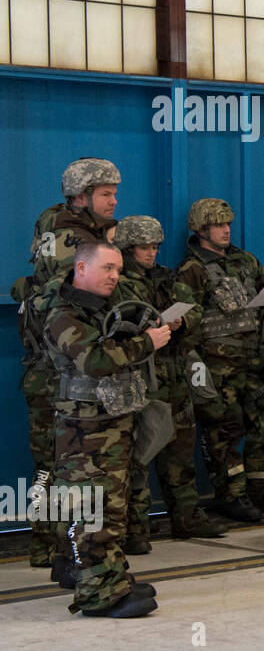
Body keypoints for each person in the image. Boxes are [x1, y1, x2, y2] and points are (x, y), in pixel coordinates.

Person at [45, 242, 169, 618]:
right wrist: (145, 342)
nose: (115, 276)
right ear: (81, 268)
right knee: (92, 509)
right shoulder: (64, 316)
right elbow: (95, 360)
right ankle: (99, 595)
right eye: (107, 269)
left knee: (112, 507)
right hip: (85, 431)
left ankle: (110, 577)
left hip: (110, 424)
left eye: (117, 270)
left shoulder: (99, 311)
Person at [12, 158, 120, 569]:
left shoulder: (71, 226)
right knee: (57, 467)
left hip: (60, 366)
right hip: (54, 368)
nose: (113, 201)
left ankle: (60, 551)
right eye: (105, 194)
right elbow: (78, 289)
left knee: (58, 466)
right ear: (81, 196)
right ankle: (55, 549)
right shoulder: (67, 233)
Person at [176, 198, 264, 521]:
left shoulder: (245, 260)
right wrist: (196, 369)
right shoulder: (192, 270)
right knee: (224, 431)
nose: (226, 230)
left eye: (228, 224)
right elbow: (186, 322)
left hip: (255, 361)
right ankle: (230, 495)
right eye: (219, 225)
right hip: (219, 368)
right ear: (202, 229)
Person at [113, 215, 224, 548]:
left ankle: (186, 517)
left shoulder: (166, 277)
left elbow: (194, 310)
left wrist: (177, 322)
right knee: (140, 452)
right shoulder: (118, 281)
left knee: (181, 449)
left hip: (175, 374)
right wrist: (155, 322)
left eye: (156, 246)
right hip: (141, 378)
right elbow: (122, 322)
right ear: (128, 247)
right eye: (145, 247)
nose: (152, 253)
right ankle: (135, 528)